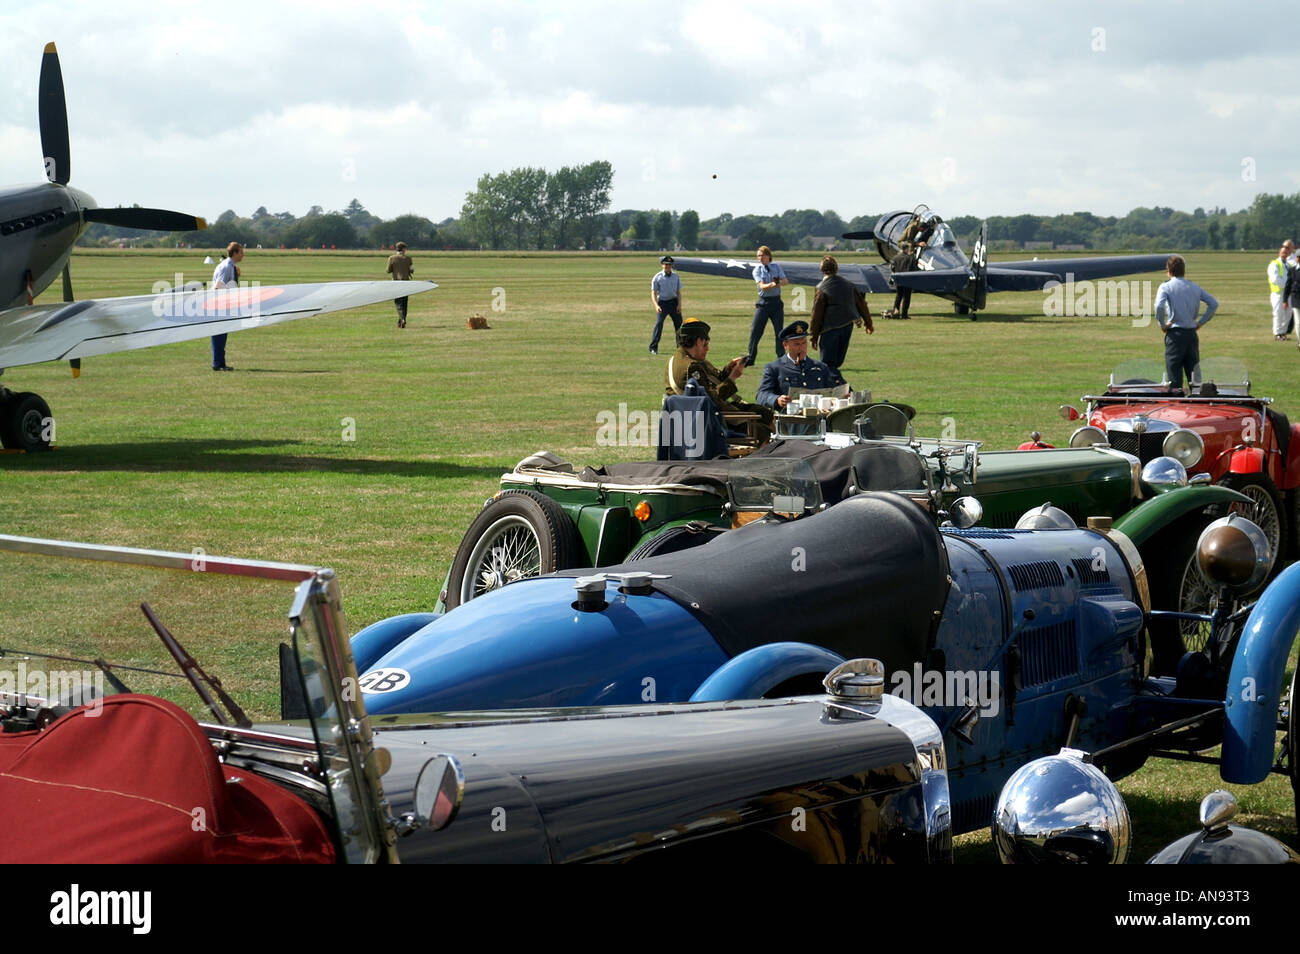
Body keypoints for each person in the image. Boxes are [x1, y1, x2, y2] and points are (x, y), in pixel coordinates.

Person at [667, 318, 773, 437]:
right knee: (762, 431)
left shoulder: (685, 359)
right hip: (708, 421)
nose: (707, 348)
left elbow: (711, 381)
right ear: (697, 342)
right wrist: (732, 378)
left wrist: (728, 370)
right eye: (705, 344)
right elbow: (710, 401)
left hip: (705, 415)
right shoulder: (691, 367)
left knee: (764, 413)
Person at [1154, 254, 1217, 392]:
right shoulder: (1194, 287)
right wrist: (1200, 322)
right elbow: (1213, 304)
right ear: (1183, 270)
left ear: (1169, 270)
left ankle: (1177, 407)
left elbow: (1159, 306)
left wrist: (1162, 324)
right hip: (1191, 334)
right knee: (1194, 377)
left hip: (1175, 335)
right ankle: (1198, 404)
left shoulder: (1166, 287)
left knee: (1175, 379)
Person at [756, 320, 847, 409]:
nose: (802, 348)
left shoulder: (821, 367)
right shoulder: (774, 368)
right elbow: (762, 395)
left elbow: (833, 391)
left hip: (817, 420)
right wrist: (777, 400)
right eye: (797, 344)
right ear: (785, 345)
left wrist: (843, 395)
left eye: (804, 343)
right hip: (789, 421)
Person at [809, 255, 873, 371]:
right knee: (837, 362)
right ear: (836, 269)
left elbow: (816, 314)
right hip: (847, 326)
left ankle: (831, 385)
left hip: (830, 328)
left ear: (822, 270)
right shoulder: (848, 284)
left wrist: (813, 337)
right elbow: (861, 304)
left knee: (827, 363)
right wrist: (868, 324)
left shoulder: (821, 288)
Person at [746, 245, 787, 366]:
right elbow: (762, 286)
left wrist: (777, 283)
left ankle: (782, 357)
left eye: (762, 255)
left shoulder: (776, 267)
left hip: (777, 303)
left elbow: (785, 281)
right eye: (758, 256)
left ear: (768, 256)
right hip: (763, 303)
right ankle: (751, 358)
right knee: (756, 331)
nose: (760, 258)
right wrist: (774, 284)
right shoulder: (757, 270)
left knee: (779, 332)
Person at [209, 241, 243, 371]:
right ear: (234, 253)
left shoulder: (229, 265)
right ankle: (218, 364)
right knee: (219, 335)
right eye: (241, 252)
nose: (243, 255)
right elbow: (219, 285)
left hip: (222, 304)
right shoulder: (227, 266)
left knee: (221, 335)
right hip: (219, 305)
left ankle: (220, 363)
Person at [649, 255, 683, 355]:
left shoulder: (676, 276)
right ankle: (653, 348)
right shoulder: (657, 277)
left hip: (673, 302)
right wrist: (656, 306)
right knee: (659, 325)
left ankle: (680, 348)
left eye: (669, 265)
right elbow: (653, 293)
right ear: (662, 265)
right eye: (665, 264)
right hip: (662, 303)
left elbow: (679, 292)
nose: (667, 266)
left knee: (679, 326)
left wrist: (679, 305)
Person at [1267, 241, 1293, 340]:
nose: (1285, 252)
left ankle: (1283, 332)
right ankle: (1277, 333)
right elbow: (1275, 279)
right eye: (1283, 251)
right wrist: (1287, 286)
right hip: (1278, 293)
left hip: (1288, 293)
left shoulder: (1289, 265)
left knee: (1288, 314)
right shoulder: (1274, 264)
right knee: (1279, 313)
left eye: (1287, 251)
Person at [386, 241, 414, 328]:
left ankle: (402, 319)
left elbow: (388, 270)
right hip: (406, 282)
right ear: (404, 249)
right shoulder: (408, 259)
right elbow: (411, 270)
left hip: (396, 283)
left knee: (398, 303)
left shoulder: (391, 258)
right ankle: (402, 320)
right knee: (404, 302)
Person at [885, 241, 915, 319]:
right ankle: (904, 315)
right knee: (906, 298)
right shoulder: (909, 258)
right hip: (907, 280)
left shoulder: (895, 258)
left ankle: (895, 312)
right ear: (907, 249)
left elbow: (892, 268)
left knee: (899, 296)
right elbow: (912, 269)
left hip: (898, 279)